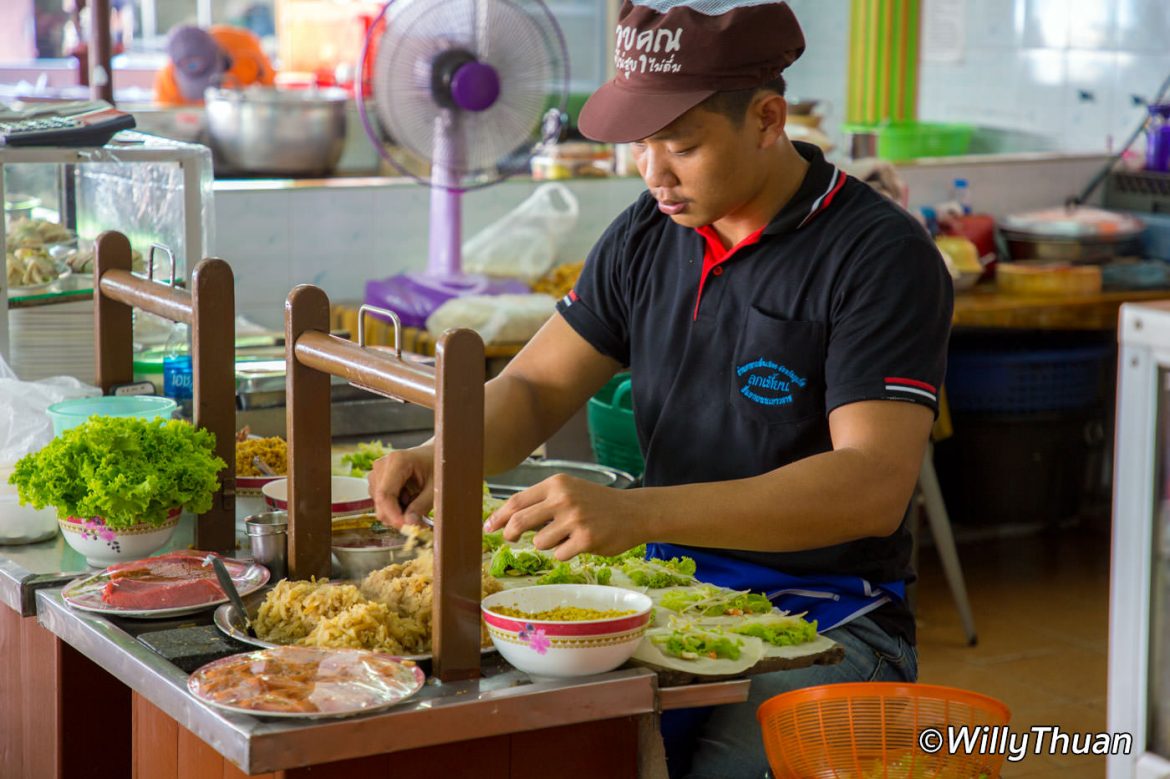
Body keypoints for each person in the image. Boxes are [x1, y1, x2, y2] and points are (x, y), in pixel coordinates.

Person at [369, 1, 952, 776]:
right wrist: (447, 452)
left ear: (768, 119)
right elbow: (539, 385)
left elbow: (871, 484)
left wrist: (634, 511)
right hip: (667, 588)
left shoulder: (876, 256)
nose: (655, 173)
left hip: (830, 610)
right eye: (642, 146)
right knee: (531, 736)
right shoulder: (650, 232)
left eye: (681, 145)